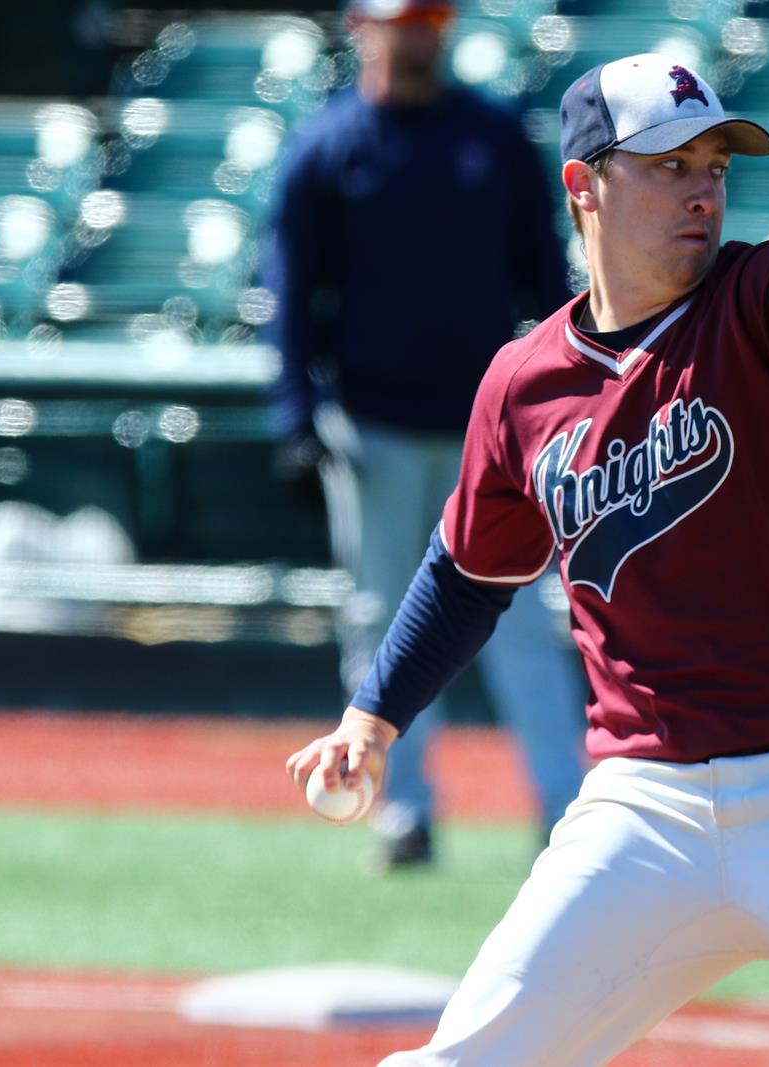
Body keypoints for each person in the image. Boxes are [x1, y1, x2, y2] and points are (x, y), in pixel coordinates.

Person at [287, 53, 769, 1064]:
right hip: (646, 804)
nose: (702, 188)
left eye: (714, 164)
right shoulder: (523, 386)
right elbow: (465, 573)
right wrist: (372, 717)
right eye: (667, 164)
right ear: (583, 186)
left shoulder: (754, 298)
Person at [267, 0, 585, 868]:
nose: (417, 33)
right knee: (379, 615)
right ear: (362, 27)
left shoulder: (492, 137)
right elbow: (288, 292)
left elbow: (545, 278)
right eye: (403, 18)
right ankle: (400, 811)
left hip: (493, 430)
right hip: (371, 425)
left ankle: (566, 807)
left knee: (523, 619)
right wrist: (293, 417)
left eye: (430, 17)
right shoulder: (329, 146)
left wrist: (570, 391)